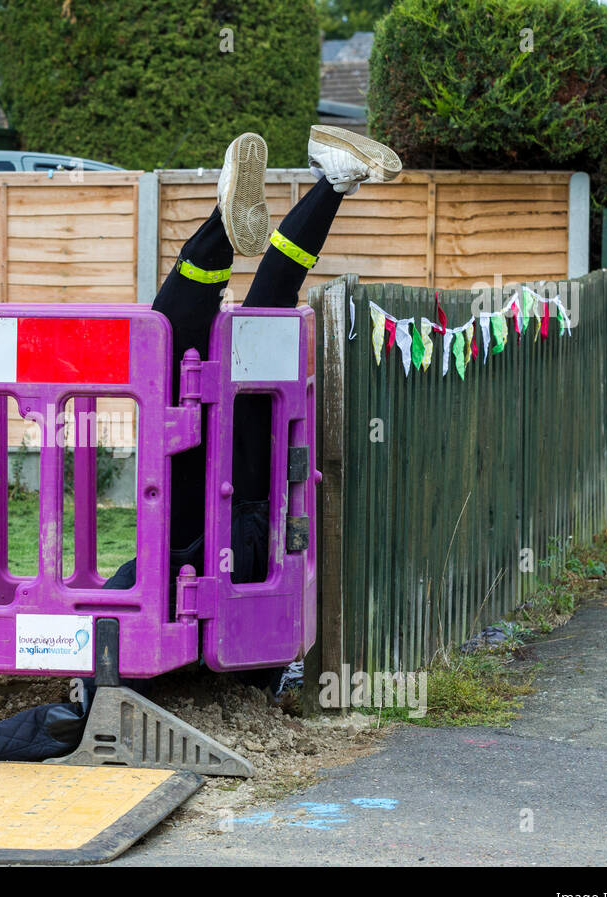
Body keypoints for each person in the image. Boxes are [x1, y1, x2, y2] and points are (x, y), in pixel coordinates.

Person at [104, 125, 403, 595]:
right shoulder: (148, 587)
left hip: (239, 514)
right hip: (226, 527)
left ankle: (332, 182)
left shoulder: (142, 592)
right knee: (183, 342)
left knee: (266, 309)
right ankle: (260, 210)